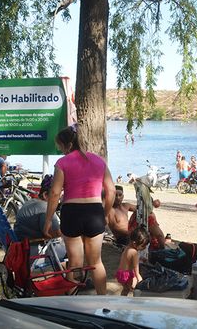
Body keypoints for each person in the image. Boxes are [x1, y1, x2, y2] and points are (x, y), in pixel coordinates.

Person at [44, 125, 116, 296]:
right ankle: (103, 300)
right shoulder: (99, 161)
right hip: (94, 211)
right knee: (96, 262)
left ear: (67, 145)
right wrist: (105, 213)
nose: (60, 150)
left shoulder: (62, 163)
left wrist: (48, 220)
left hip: (72, 211)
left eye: (60, 146)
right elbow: (111, 191)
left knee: (74, 262)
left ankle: (71, 303)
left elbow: (54, 193)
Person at [116, 226, 150, 296]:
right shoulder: (134, 252)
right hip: (127, 275)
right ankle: (135, 302)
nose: (145, 248)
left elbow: (128, 259)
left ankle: (122, 299)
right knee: (134, 288)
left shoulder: (127, 247)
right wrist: (139, 278)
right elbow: (136, 268)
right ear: (135, 243)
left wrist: (140, 259)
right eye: (143, 246)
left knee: (126, 289)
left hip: (120, 273)